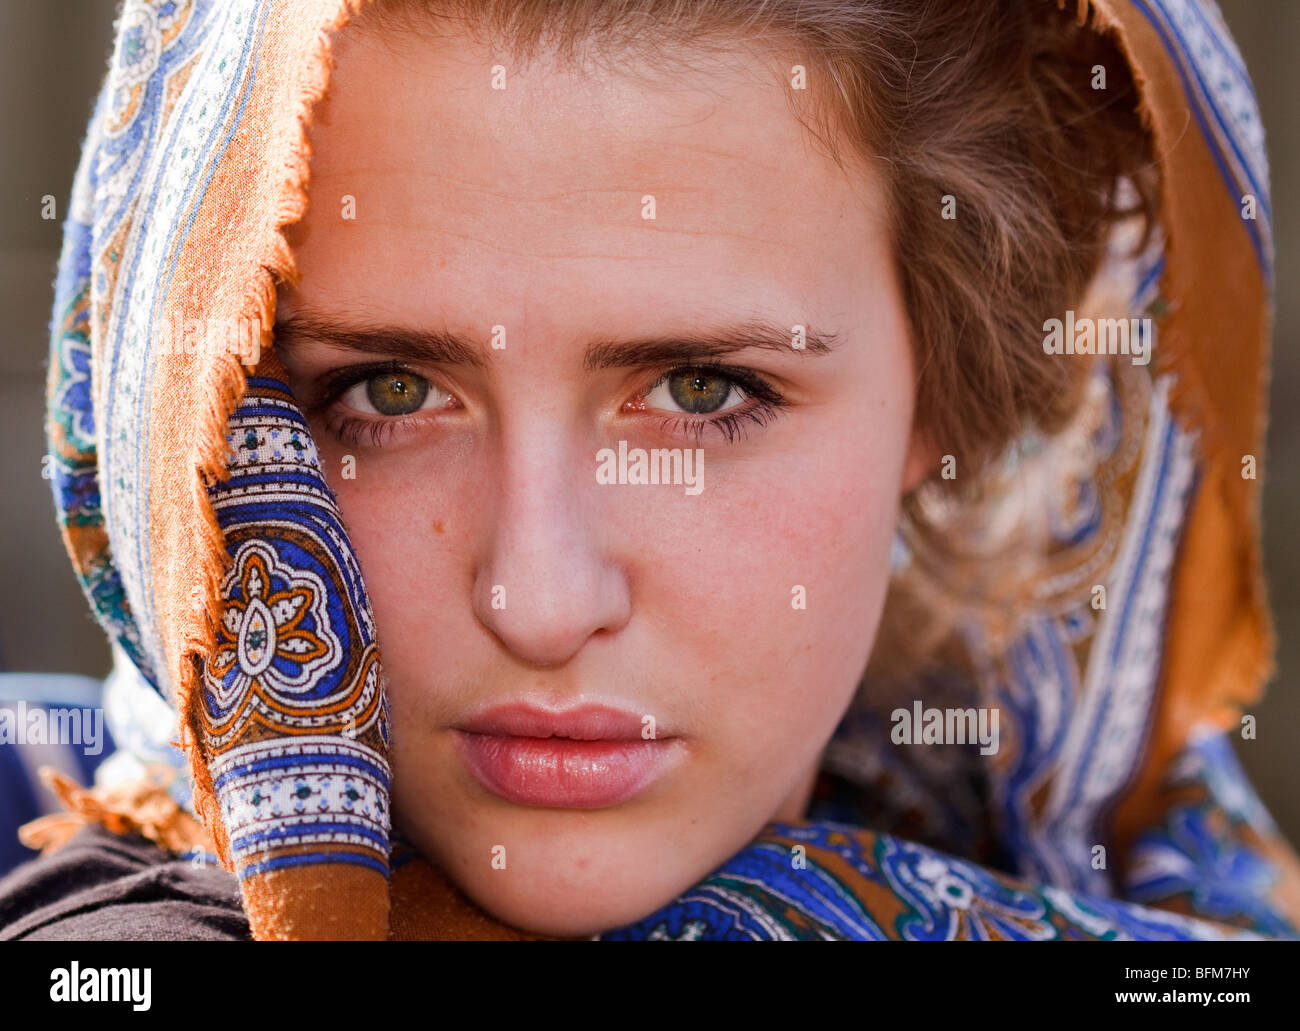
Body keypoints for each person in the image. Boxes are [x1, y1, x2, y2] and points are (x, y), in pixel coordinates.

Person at [2, 0, 1296, 940]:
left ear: (941, 387)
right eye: (388, 393)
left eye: (702, 390)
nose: (542, 598)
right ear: (204, 420)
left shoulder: (1171, 890)